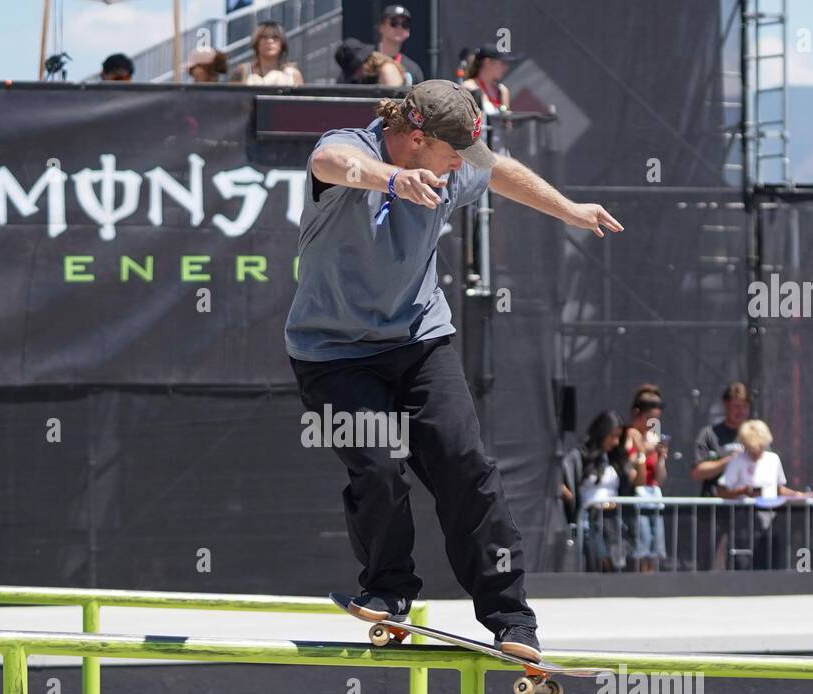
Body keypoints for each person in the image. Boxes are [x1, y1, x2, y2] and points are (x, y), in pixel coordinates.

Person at [286, 80, 622, 662]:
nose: (457, 168)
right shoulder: (352, 148)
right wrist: (392, 179)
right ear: (415, 138)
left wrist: (567, 209)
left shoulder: (457, 161)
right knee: (379, 463)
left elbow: (500, 170)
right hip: (333, 353)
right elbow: (328, 161)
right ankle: (389, 591)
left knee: (466, 468)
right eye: (448, 156)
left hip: (420, 341)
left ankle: (511, 617)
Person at [716, 419, 806, 569]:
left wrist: (797, 495)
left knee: (771, 558)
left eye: (760, 447)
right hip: (744, 520)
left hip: (772, 517)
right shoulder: (737, 461)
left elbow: (779, 488)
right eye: (752, 448)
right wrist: (743, 491)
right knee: (744, 561)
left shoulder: (773, 459)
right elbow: (722, 490)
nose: (756, 452)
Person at [561, 411, 633, 572]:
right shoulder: (579, 456)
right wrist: (570, 497)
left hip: (613, 520)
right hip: (590, 519)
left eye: (618, 437)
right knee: (598, 559)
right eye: (612, 436)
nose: (615, 442)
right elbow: (562, 479)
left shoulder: (615, 458)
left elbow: (630, 480)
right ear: (601, 432)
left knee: (616, 563)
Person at [691, 381, 752, 569]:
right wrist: (727, 461)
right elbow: (697, 472)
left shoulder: (755, 434)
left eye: (744, 407)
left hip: (746, 511)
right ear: (726, 406)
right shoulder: (709, 434)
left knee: (742, 562)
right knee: (708, 562)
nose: (740, 411)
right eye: (735, 406)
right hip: (714, 510)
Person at [623, 385, 668, 572]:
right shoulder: (629, 434)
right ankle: (639, 578)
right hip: (635, 494)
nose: (652, 423)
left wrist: (661, 459)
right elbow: (626, 461)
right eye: (649, 418)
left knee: (656, 540)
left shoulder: (652, 436)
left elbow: (660, 478)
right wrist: (646, 448)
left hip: (652, 494)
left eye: (656, 420)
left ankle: (652, 576)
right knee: (642, 539)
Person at [231, 21, 303, 85]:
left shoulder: (292, 74)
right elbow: (232, 98)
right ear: (256, 42)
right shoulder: (243, 71)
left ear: (282, 43)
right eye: (264, 37)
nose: (270, 41)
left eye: (275, 37)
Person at [372, 4, 421, 85]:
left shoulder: (413, 69)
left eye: (405, 24)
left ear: (408, 31)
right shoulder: (365, 61)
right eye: (394, 23)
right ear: (381, 27)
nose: (400, 27)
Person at [461, 45, 513, 115]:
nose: (506, 68)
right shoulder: (468, 88)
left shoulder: (503, 91)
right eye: (502, 63)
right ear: (487, 62)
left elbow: (507, 123)